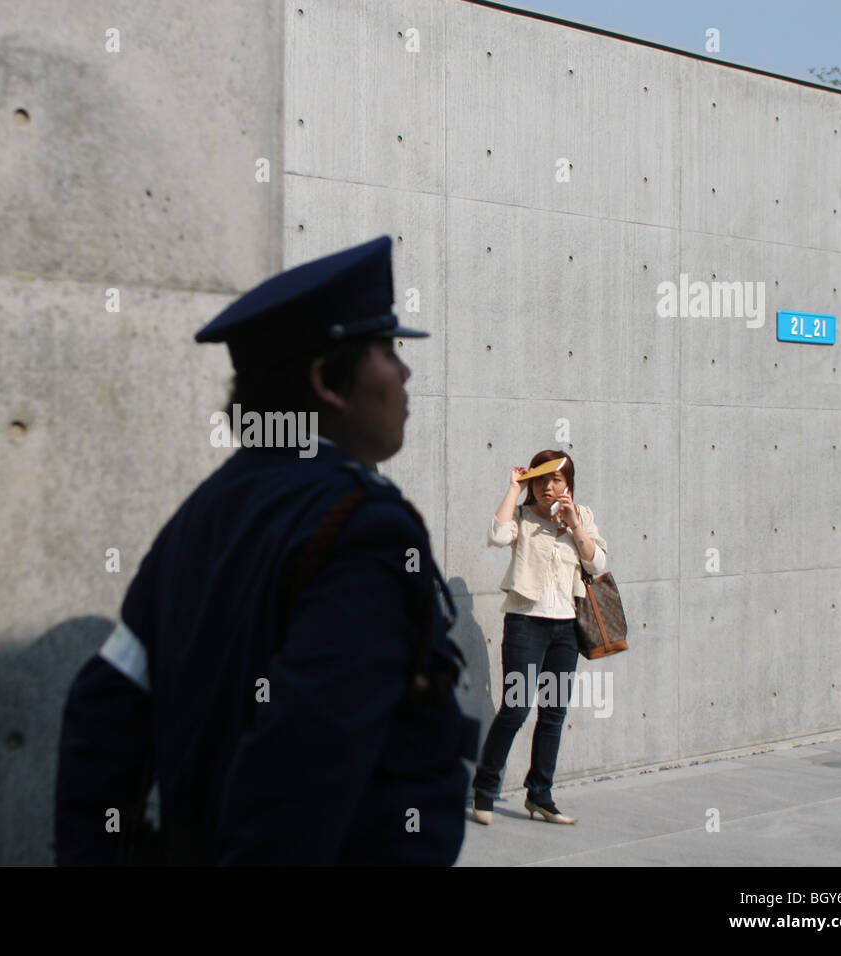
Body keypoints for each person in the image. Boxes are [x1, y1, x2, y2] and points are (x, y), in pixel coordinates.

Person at [55, 236, 475, 866]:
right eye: (388, 349)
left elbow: (104, 707)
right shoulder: (366, 526)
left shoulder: (199, 517)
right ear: (328, 381)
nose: (406, 372)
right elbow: (306, 754)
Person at [470, 450, 608, 826]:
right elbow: (496, 536)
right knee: (515, 710)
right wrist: (513, 489)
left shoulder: (584, 517)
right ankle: (484, 790)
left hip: (566, 630)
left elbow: (598, 564)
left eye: (557, 480)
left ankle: (540, 796)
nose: (549, 487)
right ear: (532, 483)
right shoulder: (522, 516)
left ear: (569, 485)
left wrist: (575, 526)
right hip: (525, 626)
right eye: (542, 480)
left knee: (553, 714)